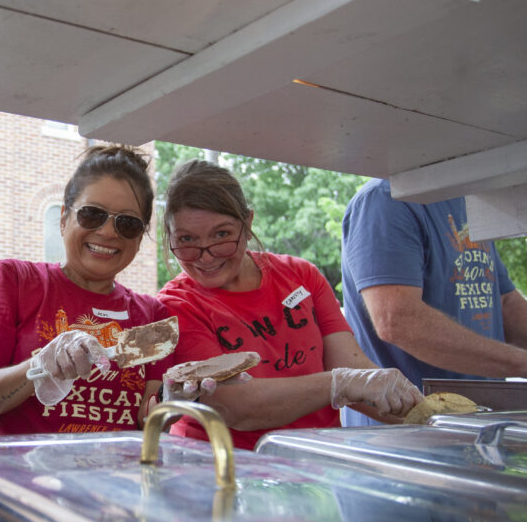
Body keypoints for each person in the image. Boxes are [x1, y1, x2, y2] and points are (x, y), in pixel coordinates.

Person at [155, 160, 423, 450]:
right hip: (224, 473)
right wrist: (342, 384)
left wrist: (429, 418)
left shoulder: (301, 276)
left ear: (248, 223)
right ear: (169, 237)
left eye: (222, 235)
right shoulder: (174, 306)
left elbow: (352, 370)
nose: (206, 257)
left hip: (316, 466)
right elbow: (236, 407)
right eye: (186, 240)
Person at [0, 144, 174, 435]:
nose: (107, 232)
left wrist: (174, 400)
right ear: (64, 217)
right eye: (92, 214)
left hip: (115, 478)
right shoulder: (13, 281)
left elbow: (150, 420)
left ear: (140, 237)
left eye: (127, 223)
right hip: (24, 477)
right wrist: (42, 365)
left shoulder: (152, 315)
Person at [340, 178, 527, 426]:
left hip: (479, 426)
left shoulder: (468, 201)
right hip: (407, 436)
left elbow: (504, 304)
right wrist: (521, 364)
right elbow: (398, 321)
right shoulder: (387, 200)